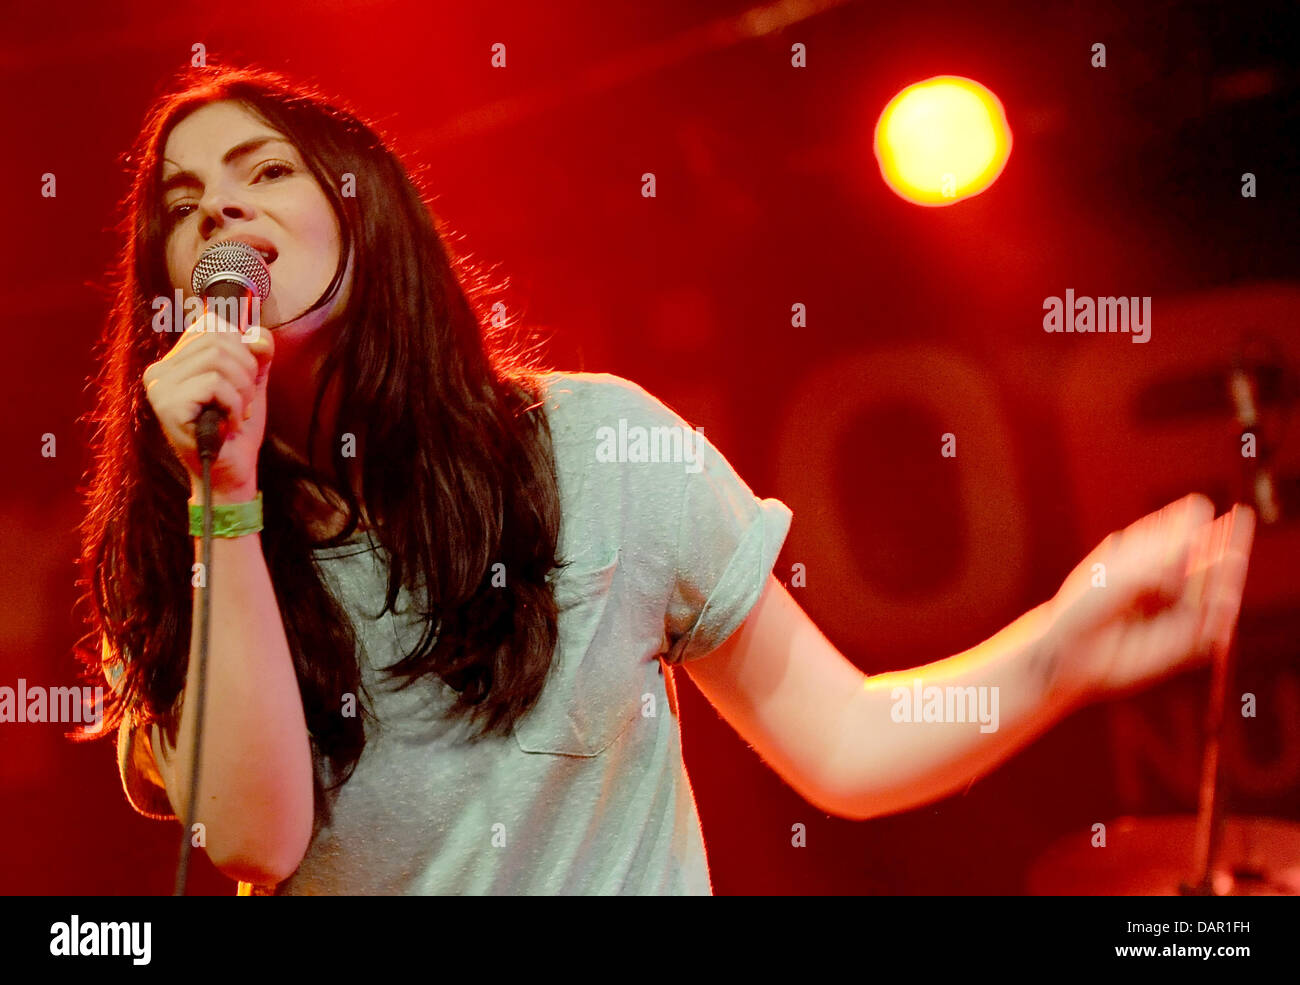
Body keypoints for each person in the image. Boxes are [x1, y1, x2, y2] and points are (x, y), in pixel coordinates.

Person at [74, 65, 1257, 896]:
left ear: (361, 209)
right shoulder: (180, 555)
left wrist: (1067, 647)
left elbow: (841, 742)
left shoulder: (596, 450)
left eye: (261, 171)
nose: (217, 207)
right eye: (180, 207)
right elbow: (257, 841)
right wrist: (222, 496)